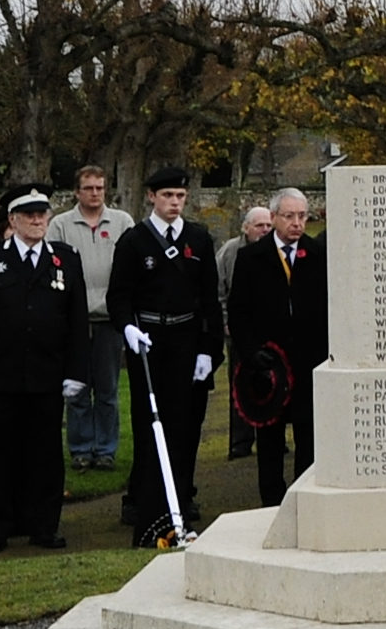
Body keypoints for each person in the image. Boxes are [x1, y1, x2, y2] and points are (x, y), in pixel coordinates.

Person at [0, 183, 89, 554]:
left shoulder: (65, 259)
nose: (37, 220)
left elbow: (76, 319)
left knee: (45, 455)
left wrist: (76, 370)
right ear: (13, 219)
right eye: (29, 215)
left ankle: (44, 526)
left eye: (42, 214)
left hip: (46, 375)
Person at [107, 167, 221, 545]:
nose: (174, 203)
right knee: (150, 426)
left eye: (180, 196)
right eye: (168, 195)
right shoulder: (134, 241)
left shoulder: (198, 239)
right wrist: (127, 327)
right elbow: (118, 295)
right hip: (150, 342)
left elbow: (209, 298)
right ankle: (149, 506)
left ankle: (181, 501)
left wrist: (209, 350)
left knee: (185, 425)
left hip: (187, 340)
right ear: (152, 197)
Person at [227, 187, 328, 507]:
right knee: (270, 439)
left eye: (302, 216)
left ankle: (305, 500)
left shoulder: (318, 254)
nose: (297, 223)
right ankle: (271, 503)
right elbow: (239, 311)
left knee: (308, 435)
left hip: (309, 361)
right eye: (289, 216)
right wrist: (251, 352)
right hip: (267, 362)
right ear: (273, 218)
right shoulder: (251, 258)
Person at [47, 168, 131, 473]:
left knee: (107, 391)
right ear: (76, 191)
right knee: (78, 390)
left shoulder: (122, 222)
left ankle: (106, 450)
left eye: (100, 188)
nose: (95, 193)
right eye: (89, 188)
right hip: (74, 322)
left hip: (109, 319)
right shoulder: (60, 225)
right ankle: (81, 449)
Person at [217, 203, 273, 462]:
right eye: (259, 225)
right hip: (239, 329)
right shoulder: (230, 251)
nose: (264, 230)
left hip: (270, 330)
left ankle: (271, 438)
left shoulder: (276, 249)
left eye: (268, 225)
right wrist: (226, 321)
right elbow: (218, 290)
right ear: (246, 227)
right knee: (240, 385)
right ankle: (241, 441)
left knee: (273, 383)